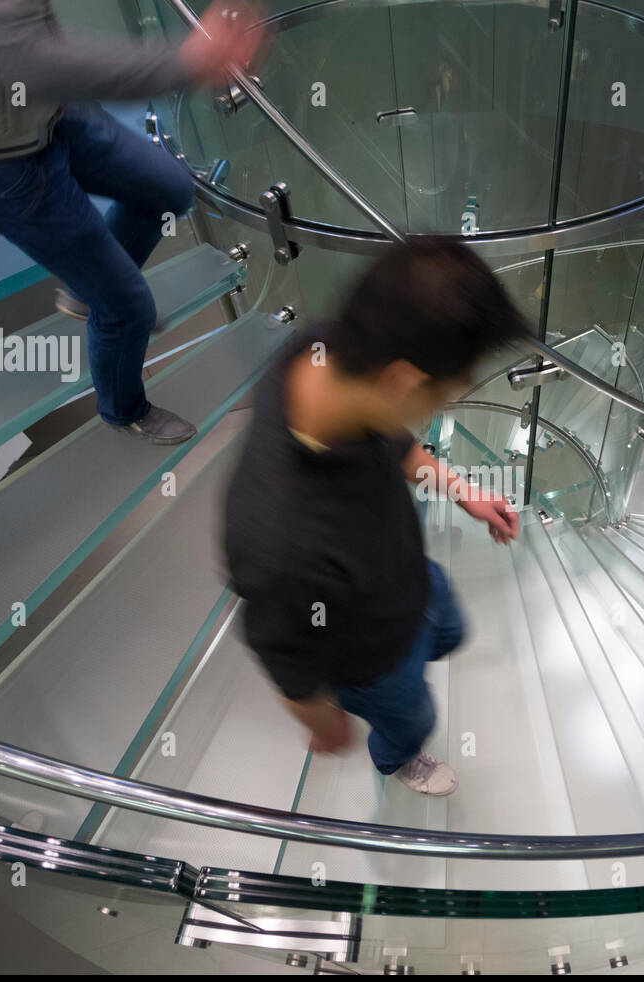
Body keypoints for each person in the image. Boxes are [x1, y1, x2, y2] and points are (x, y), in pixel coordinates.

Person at [0, 0, 272, 444]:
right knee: (128, 308)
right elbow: (22, 59)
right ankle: (124, 409)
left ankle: (88, 291)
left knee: (168, 191)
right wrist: (190, 62)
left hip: (49, 107)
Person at [223, 239, 530, 796]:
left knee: (451, 631)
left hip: (409, 580)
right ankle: (398, 756)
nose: (447, 408)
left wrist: (463, 492)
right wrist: (322, 720)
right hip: (370, 659)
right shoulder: (280, 540)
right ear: (404, 384)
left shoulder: (324, 354)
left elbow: (395, 442)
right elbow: (283, 655)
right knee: (413, 718)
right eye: (447, 396)